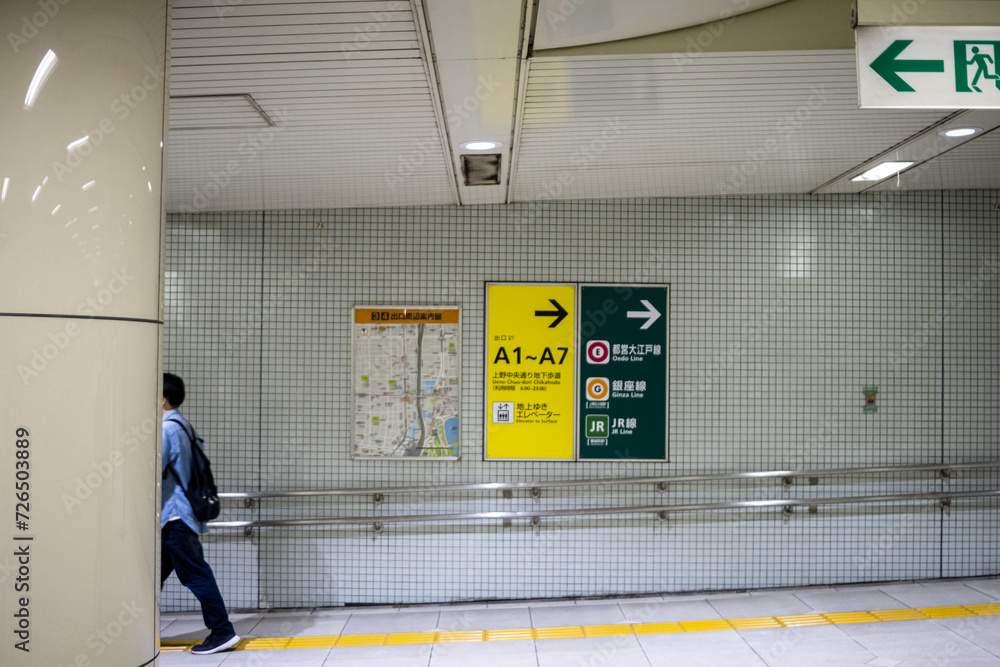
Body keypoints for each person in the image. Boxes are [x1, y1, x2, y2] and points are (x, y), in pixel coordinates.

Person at [161, 372, 240, 655]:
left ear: (163, 399)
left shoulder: (167, 429)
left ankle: (222, 631)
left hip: (174, 517)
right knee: (151, 578)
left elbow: (153, 470)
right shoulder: (184, 426)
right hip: (175, 518)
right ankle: (140, 631)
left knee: (197, 575)